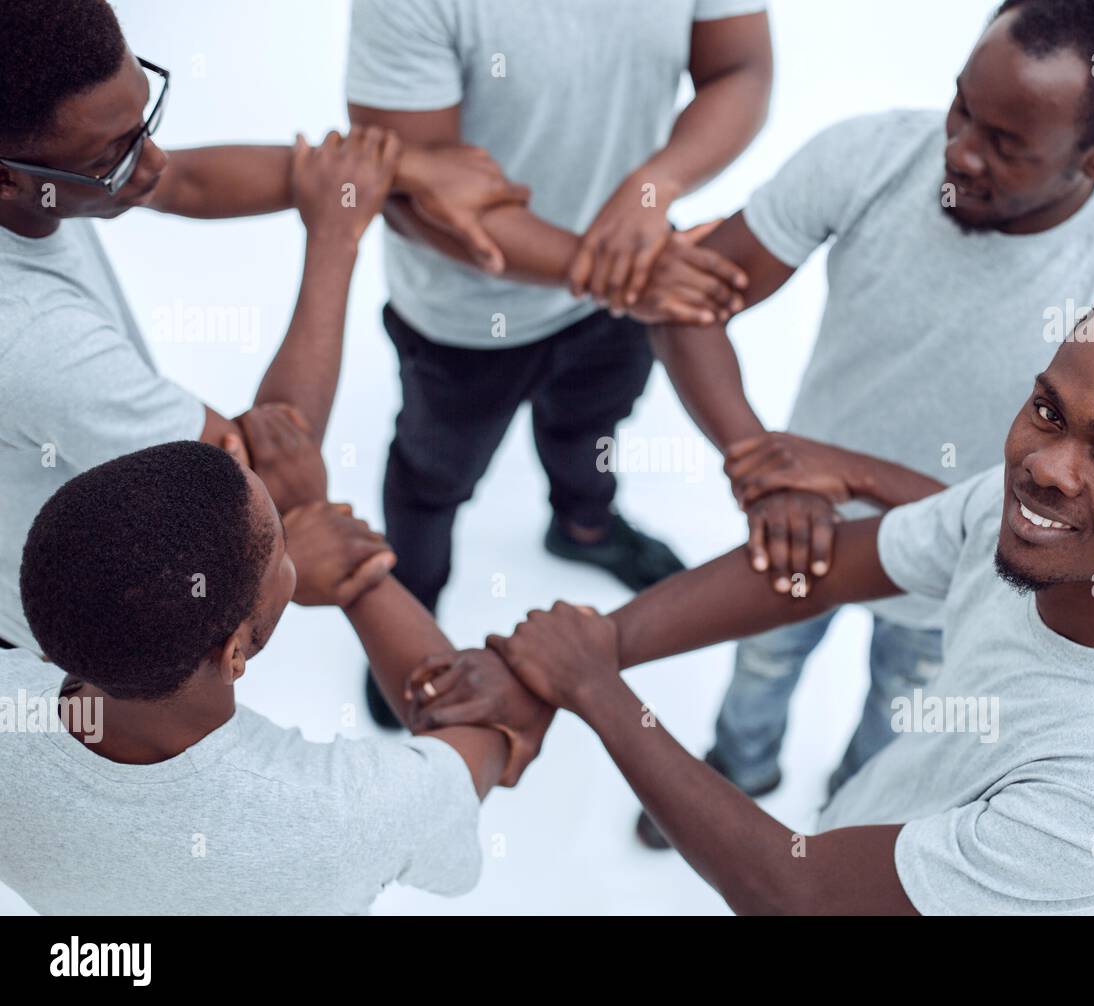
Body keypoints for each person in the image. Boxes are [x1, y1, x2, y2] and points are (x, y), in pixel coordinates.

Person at [429, 270, 1094, 915]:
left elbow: (798, 897)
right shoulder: (1032, 514)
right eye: (1049, 411)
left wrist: (592, 688)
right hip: (870, 824)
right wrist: (591, 647)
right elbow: (831, 565)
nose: (1048, 467)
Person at [635, 0, 1094, 845]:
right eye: (962, 105)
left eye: (1007, 145)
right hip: (795, 525)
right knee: (760, 670)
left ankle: (840, 824)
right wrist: (757, 460)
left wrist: (917, 521)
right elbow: (685, 300)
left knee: (897, 735)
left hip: (959, 582)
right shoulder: (873, 156)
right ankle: (738, 773)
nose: (960, 150)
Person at [0, 0, 529, 653]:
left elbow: (183, 183)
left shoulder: (52, 170)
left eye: (146, 120)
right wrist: (336, 238)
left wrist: (403, 169)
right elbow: (255, 487)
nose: (155, 162)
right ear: (7, 180)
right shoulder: (37, 342)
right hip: (64, 637)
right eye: (114, 156)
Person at [344, 0, 773, 722]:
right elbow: (407, 190)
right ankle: (407, 617)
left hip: (627, 285)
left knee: (593, 426)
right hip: (468, 315)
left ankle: (583, 527)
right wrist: (606, 268)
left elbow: (740, 68)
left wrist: (652, 189)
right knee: (431, 478)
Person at [0, 432, 550, 914]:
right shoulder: (342, 814)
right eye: (285, 545)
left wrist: (268, 570)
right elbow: (494, 729)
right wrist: (360, 573)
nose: (297, 548)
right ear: (233, 653)